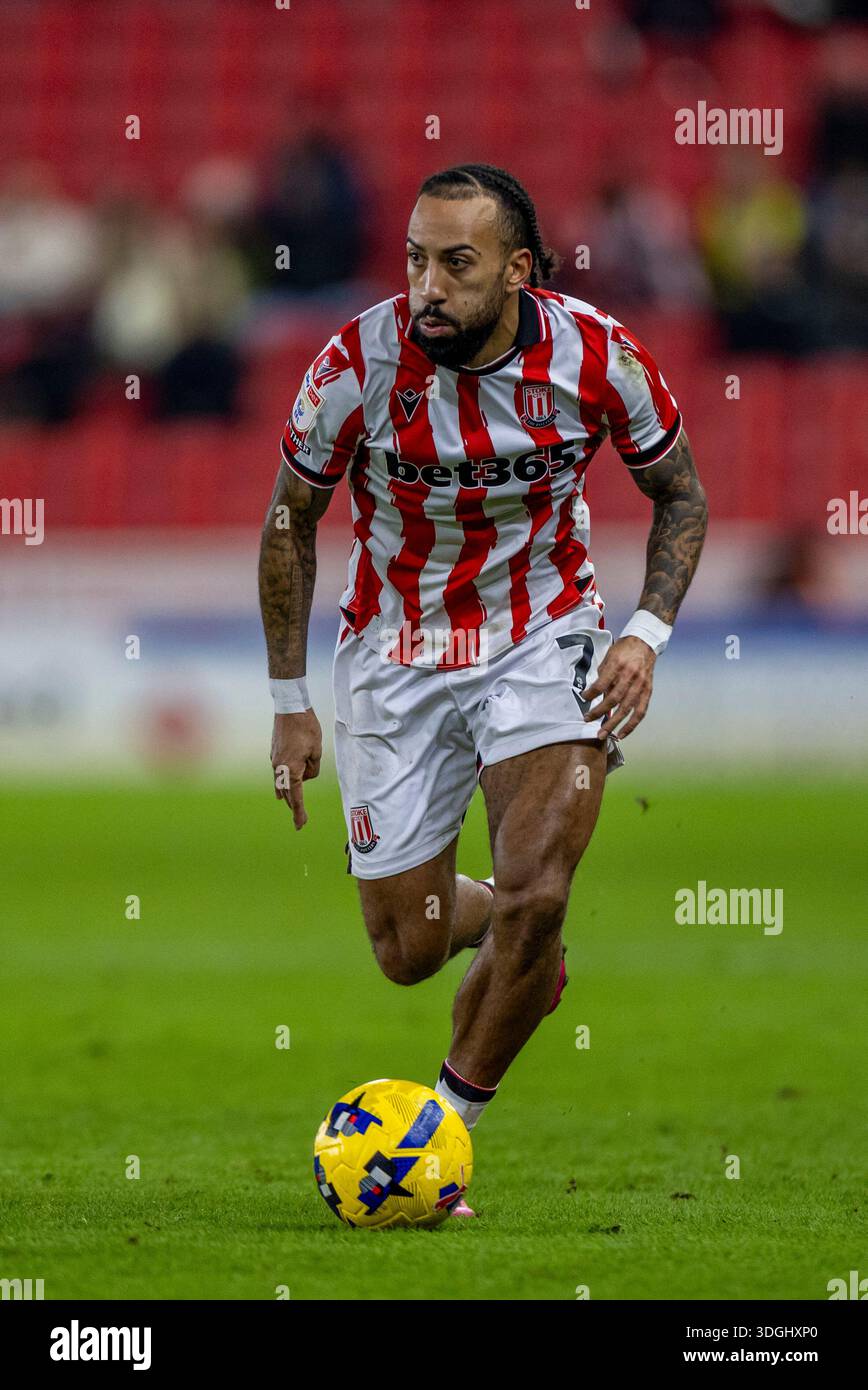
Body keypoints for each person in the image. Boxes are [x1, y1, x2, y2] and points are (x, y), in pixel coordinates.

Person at [258, 163, 707, 1215]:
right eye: (415, 258)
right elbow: (288, 523)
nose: (426, 287)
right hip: (394, 649)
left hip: (543, 636)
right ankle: (523, 950)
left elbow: (678, 491)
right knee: (407, 949)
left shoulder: (596, 355)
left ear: (515, 270)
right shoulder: (353, 364)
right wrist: (288, 701)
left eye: (455, 264)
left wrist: (644, 633)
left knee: (542, 888)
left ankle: (443, 1132)